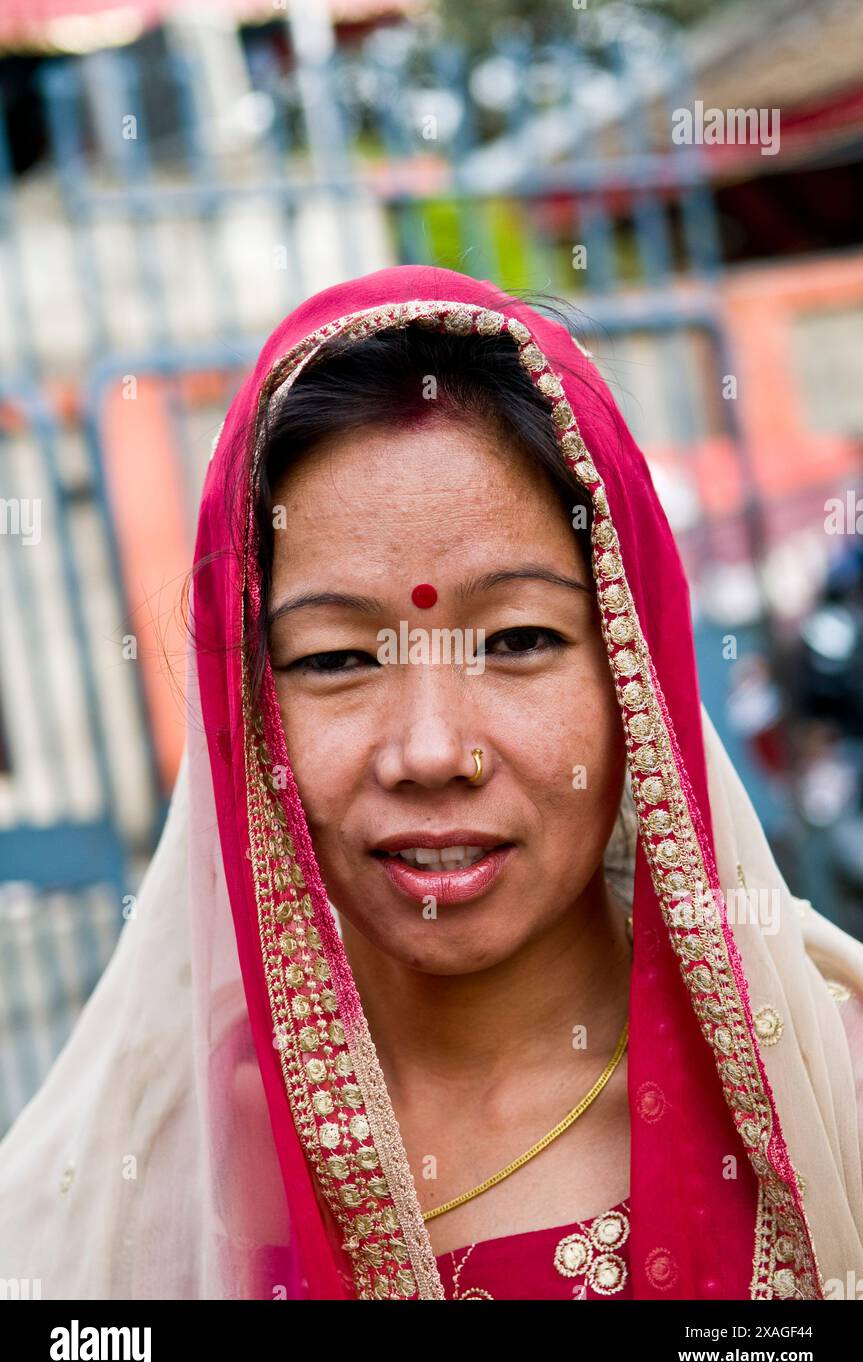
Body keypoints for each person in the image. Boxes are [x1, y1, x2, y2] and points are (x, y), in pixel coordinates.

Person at [1, 265, 862, 1301]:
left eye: (516, 639)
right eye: (334, 658)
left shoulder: (826, 1086)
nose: (428, 749)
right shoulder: (129, 1174)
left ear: (633, 671)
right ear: (246, 708)